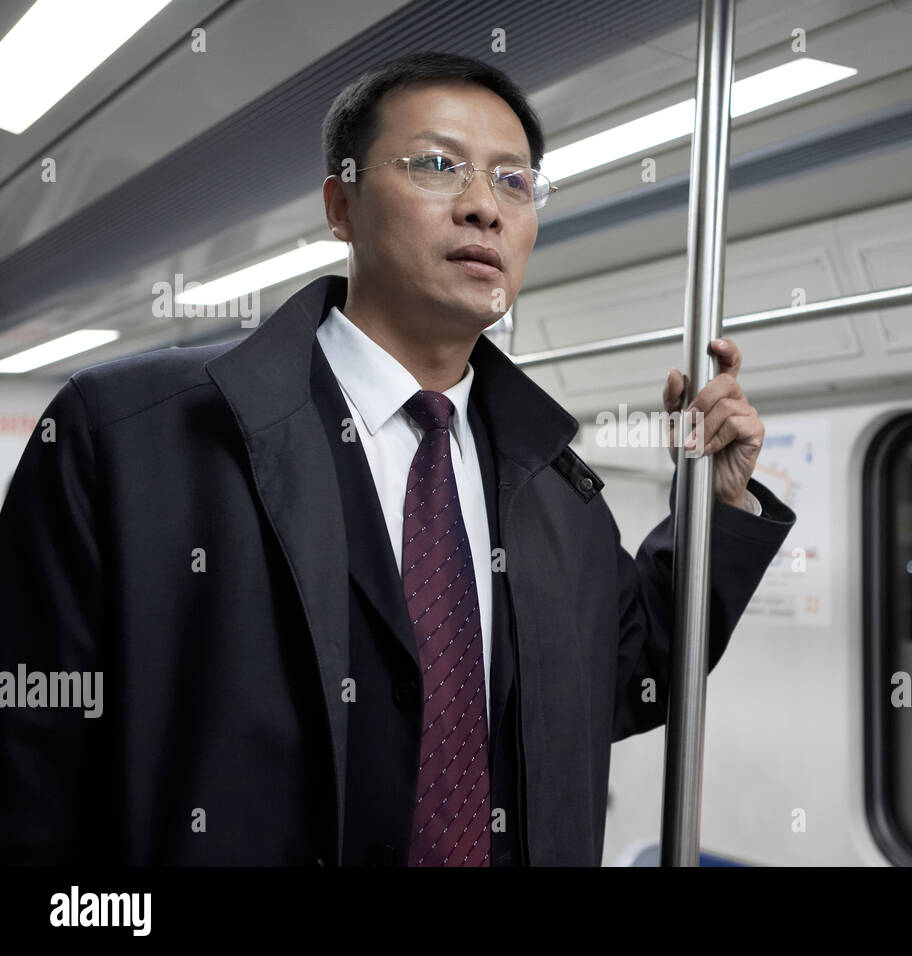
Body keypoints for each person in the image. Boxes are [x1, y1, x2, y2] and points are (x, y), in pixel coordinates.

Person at [0, 52, 795, 866]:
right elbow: (30, 766)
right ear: (341, 205)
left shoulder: (553, 485)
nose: (484, 206)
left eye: (515, 182)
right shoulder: (135, 436)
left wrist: (720, 508)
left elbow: (622, 677)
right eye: (439, 166)